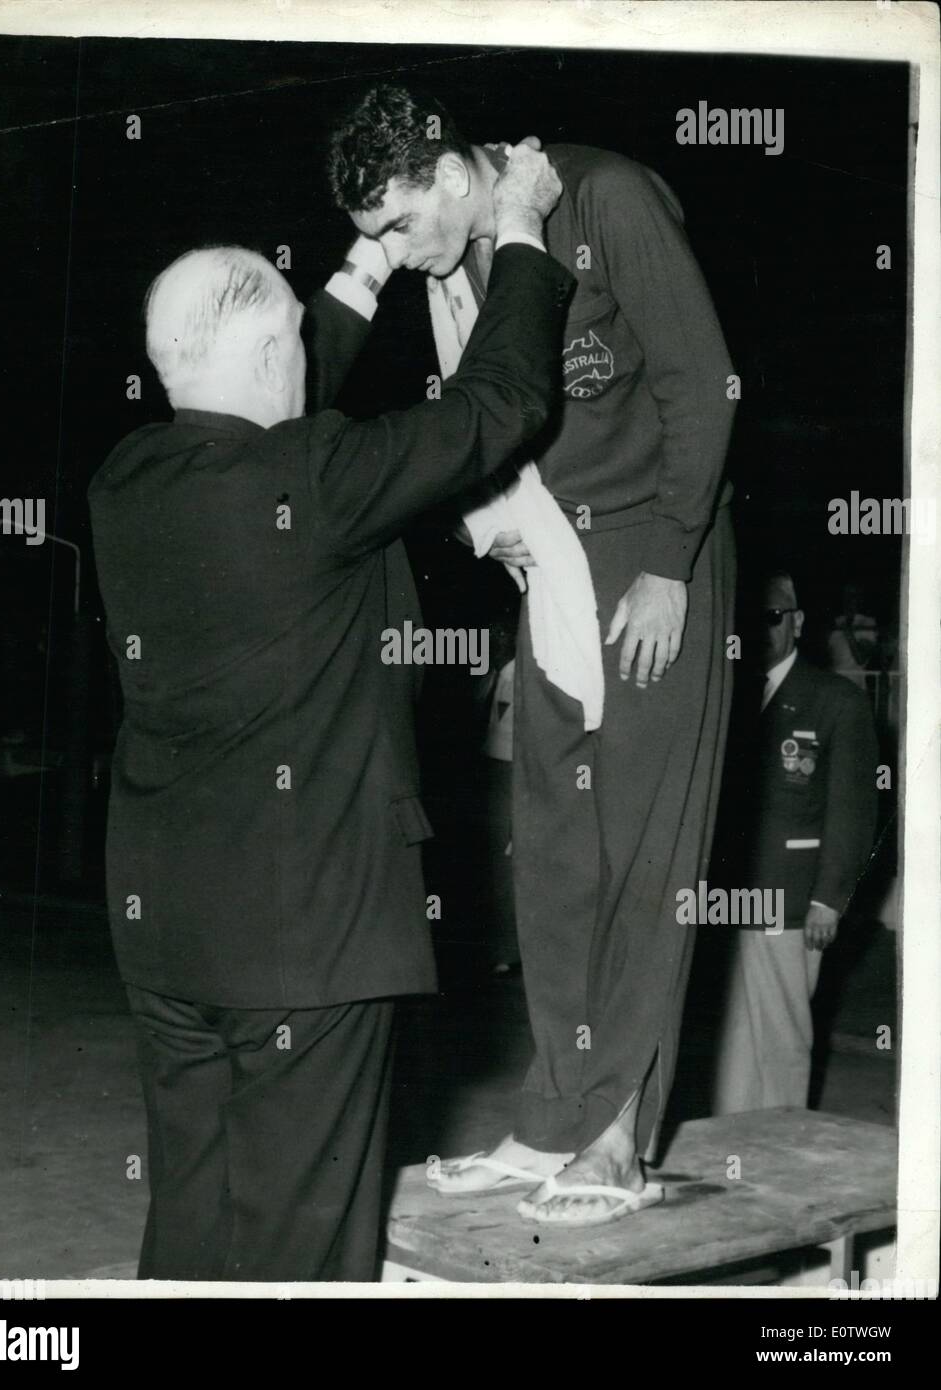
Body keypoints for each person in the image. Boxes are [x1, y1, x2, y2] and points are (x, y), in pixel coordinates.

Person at [87, 143, 574, 1280]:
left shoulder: (125, 483)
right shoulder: (318, 478)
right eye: (292, 347)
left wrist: (361, 272)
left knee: (197, 1225)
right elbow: (503, 402)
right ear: (272, 354)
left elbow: (258, 400)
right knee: (302, 1255)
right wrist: (517, 232)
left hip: (169, 937)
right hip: (309, 944)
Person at [328, 85, 737, 1227]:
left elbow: (700, 380)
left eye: (396, 225)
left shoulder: (603, 196)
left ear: (453, 178)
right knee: (555, 851)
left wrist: (669, 556)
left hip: (657, 556)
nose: (392, 256)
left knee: (644, 858)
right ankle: (553, 1110)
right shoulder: (462, 256)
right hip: (552, 561)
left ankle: (616, 1134)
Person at [712, 571, 879, 1113]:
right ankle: (735, 1130)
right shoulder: (730, 695)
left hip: (790, 895)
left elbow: (853, 811)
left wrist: (830, 898)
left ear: (798, 623)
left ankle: (782, 1131)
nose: (763, 629)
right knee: (732, 1034)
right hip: (729, 893)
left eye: (774, 616)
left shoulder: (834, 701)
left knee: (783, 1030)